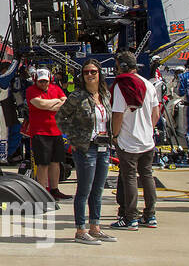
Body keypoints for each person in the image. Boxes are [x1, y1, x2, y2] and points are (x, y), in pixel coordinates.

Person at [57, 61, 116, 245]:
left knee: (98, 190)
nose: (90, 75)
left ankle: (95, 227)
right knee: (84, 189)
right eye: (86, 72)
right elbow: (61, 117)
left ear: (100, 74)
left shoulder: (105, 95)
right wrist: (73, 139)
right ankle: (80, 230)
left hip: (104, 148)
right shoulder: (77, 96)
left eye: (93, 71)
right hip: (85, 148)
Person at [109, 52, 161, 231]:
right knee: (147, 176)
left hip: (128, 140)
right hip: (147, 140)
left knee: (129, 177)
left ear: (121, 66)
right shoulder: (148, 84)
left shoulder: (121, 85)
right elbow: (156, 114)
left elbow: (117, 114)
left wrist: (114, 135)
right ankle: (151, 215)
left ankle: (131, 218)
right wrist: (148, 129)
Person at [26, 68, 69, 200]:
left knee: (55, 162)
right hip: (40, 132)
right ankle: (42, 191)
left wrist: (49, 104)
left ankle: (54, 189)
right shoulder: (31, 91)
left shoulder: (56, 88)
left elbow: (65, 102)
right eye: (41, 82)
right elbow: (40, 104)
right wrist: (56, 102)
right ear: (35, 81)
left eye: (45, 81)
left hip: (56, 131)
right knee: (42, 164)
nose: (44, 84)